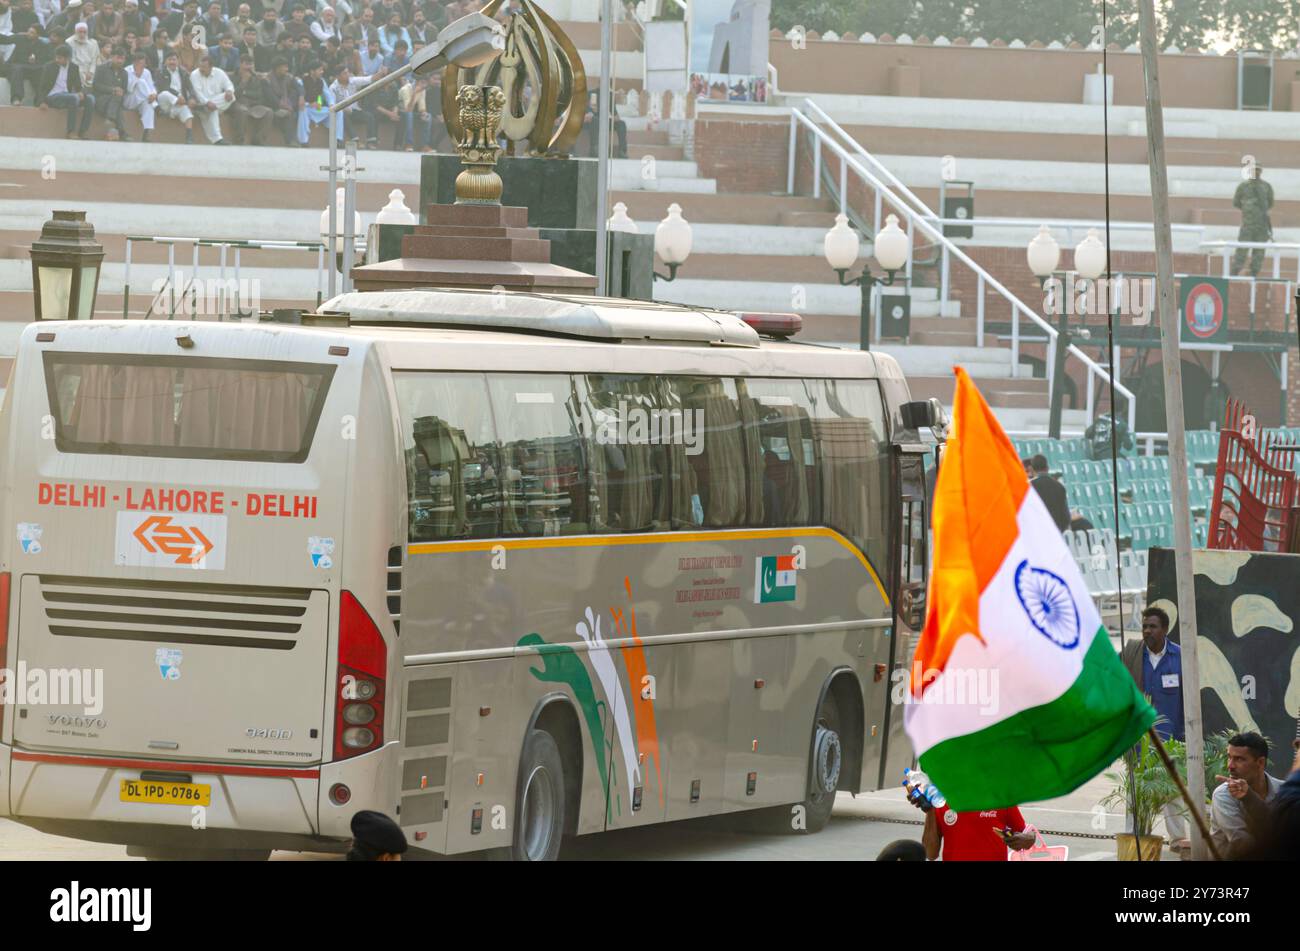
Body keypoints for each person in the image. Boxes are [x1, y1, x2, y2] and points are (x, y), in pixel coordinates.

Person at [1121, 605, 1187, 846]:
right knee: (1135, 793)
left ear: (1165, 629)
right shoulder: (1132, 655)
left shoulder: (1181, 657)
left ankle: (1178, 838)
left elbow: (1189, 699)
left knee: (1172, 791)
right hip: (1139, 739)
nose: (1147, 631)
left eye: (1153, 626)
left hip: (1172, 740)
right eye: (1144, 626)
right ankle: (1134, 836)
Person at [1210, 731, 1284, 860]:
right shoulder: (1223, 794)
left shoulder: (1282, 791)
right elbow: (1241, 842)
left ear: (1260, 763)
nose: (1230, 766)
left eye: (1239, 759)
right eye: (1229, 757)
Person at [921, 802, 1036, 861]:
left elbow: (1027, 833)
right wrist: (929, 811)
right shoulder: (940, 801)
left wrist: (1029, 838)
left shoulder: (1000, 797)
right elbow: (930, 854)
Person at [38, 43, 95, 137]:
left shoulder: (74, 67)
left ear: (67, 58)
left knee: (90, 99)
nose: (57, 60)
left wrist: (81, 93)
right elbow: (42, 86)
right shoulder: (49, 67)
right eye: (56, 57)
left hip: (68, 96)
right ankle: (71, 131)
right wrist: (42, 101)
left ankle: (83, 131)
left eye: (60, 58)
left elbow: (78, 86)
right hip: (53, 97)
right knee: (73, 98)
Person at [1231, 163, 1273, 278]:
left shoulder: (1266, 187)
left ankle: (1254, 274)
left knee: (1258, 253)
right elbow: (1236, 202)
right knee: (1241, 252)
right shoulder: (1243, 187)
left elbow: (1270, 203)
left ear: (1261, 171)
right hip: (1247, 225)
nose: (1256, 172)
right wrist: (1248, 209)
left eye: (1258, 170)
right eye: (1254, 170)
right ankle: (1234, 274)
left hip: (1261, 226)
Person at [188, 50, 233, 142]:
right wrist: (207, 103)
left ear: (211, 67)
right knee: (212, 110)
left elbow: (229, 84)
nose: (201, 69)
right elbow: (197, 93)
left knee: (231, 97)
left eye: (204, 67)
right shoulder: (195, 74)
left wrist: (229, 91)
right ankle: (218, 139)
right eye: (200, 66)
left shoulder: (219, 72)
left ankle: (205, 110)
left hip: (214, 103)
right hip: (201, 102)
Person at [151, 47, 194, 141]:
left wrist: (191, 98)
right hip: (165, 103)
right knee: (164, 93)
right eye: (169, 60)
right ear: (165, 62)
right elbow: (163, 87)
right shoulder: (160, 72)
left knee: (187, 112)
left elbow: (190, 87)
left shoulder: (183, 72)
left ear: (178, 61)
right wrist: (178, 95)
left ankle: (189, 137)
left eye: (174, 60)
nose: (172, 62)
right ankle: (174, 104)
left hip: (179, 104)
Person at [229, 57, 273, 143]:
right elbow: (234, 95)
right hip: (236, 104)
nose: (249, 67)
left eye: (251, 64)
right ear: (240, 64)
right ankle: (240, 139)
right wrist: (244, 82)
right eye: (246, 64)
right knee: (242, 110)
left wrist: (245, 93)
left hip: (252, 104)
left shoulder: (255, 78)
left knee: (269, 112)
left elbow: (258, 95)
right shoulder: (232, 76)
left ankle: (258, 139)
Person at [92, 43, 129, 138]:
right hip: (101, 100)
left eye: (122, 58)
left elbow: (124, 90)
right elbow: (96, 85)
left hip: (116, 102)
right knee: (117, 102)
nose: (120, 61)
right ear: (112, 57)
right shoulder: (101, 69)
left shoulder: (124, 73)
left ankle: (112, 122)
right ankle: (122, 132)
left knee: (118, 101)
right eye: (118, 58)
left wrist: (120, 92)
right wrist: (112, 90)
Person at [122, 50, 158, 140]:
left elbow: (151, 86)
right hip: (129, 100)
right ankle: (156, 105)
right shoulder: (126, 70)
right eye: (140, 63)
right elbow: (128, 89)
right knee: (141, 82)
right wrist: (137, 76)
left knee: (148, 104)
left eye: (144, 63)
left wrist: (153, 94)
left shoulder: (146, 72)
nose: (142, 65)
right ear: (135, 62)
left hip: (143, 100)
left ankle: (146, 132)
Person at [1028, 454, 1070, 532]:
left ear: (1032, 469)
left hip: (1037, 531)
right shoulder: (1059, 487)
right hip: (1055, 532)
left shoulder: (1029, 487)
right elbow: (1065, 517)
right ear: (1047, 468)